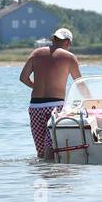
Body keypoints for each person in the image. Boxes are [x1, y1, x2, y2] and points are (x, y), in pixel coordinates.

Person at [19, 27, 82, 159]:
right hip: (55, 106)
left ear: (53, 39)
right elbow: (79, 84)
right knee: (51, 147)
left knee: (41, 151)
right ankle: (51, 176)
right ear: (68, 43)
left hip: (35, 107)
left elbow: (23, 78)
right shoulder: (69, 57)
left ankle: (42, 175)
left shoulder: (36, 54)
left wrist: (37, 87)